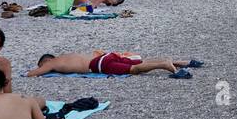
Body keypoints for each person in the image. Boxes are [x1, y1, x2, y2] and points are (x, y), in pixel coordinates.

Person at [29, 50, 202, 78]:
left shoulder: (52, 63)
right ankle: (184, 62)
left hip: (99, 65)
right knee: (142, 61)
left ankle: (166, 66)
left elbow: (33, 74)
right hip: (106, 56)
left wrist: (31, 72)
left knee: (135, 69)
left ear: (47, 60)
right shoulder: (67, 55)